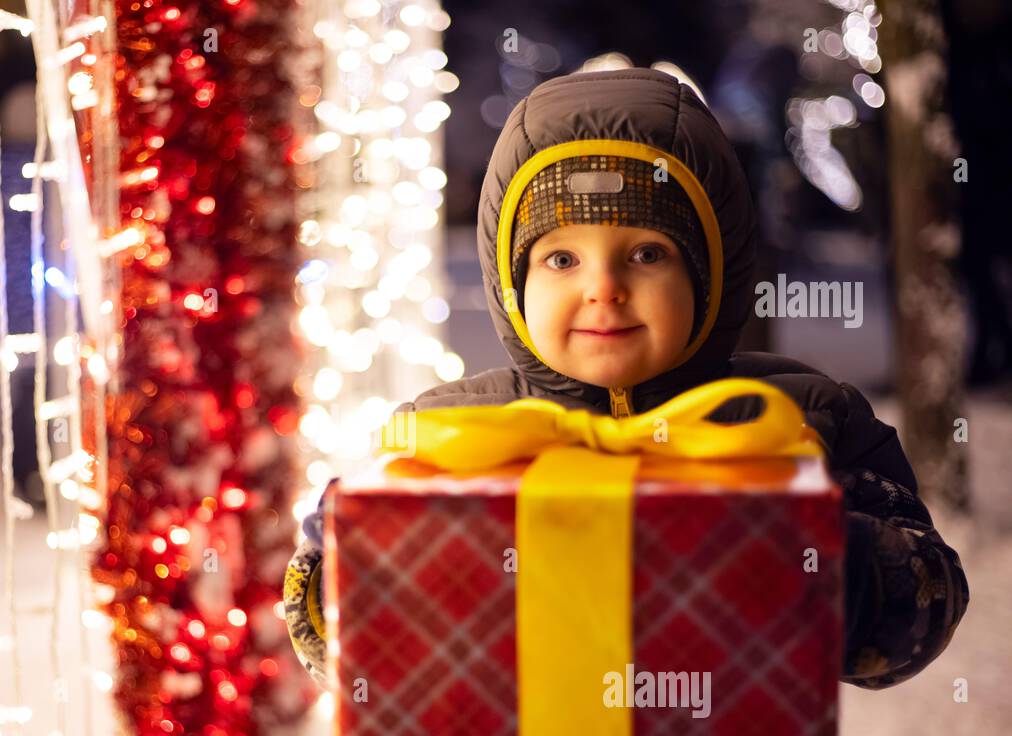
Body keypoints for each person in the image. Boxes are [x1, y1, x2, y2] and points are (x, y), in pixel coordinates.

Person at [283, 68, 969, 692]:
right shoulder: (453, 430)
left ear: (711, 273)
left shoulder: (802, 418)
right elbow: (332, 640)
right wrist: (345, 560)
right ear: (511, 283)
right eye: (560, 259)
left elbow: (925, 601)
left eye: (646, 253)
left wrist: (824, 565)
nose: (603, 288)